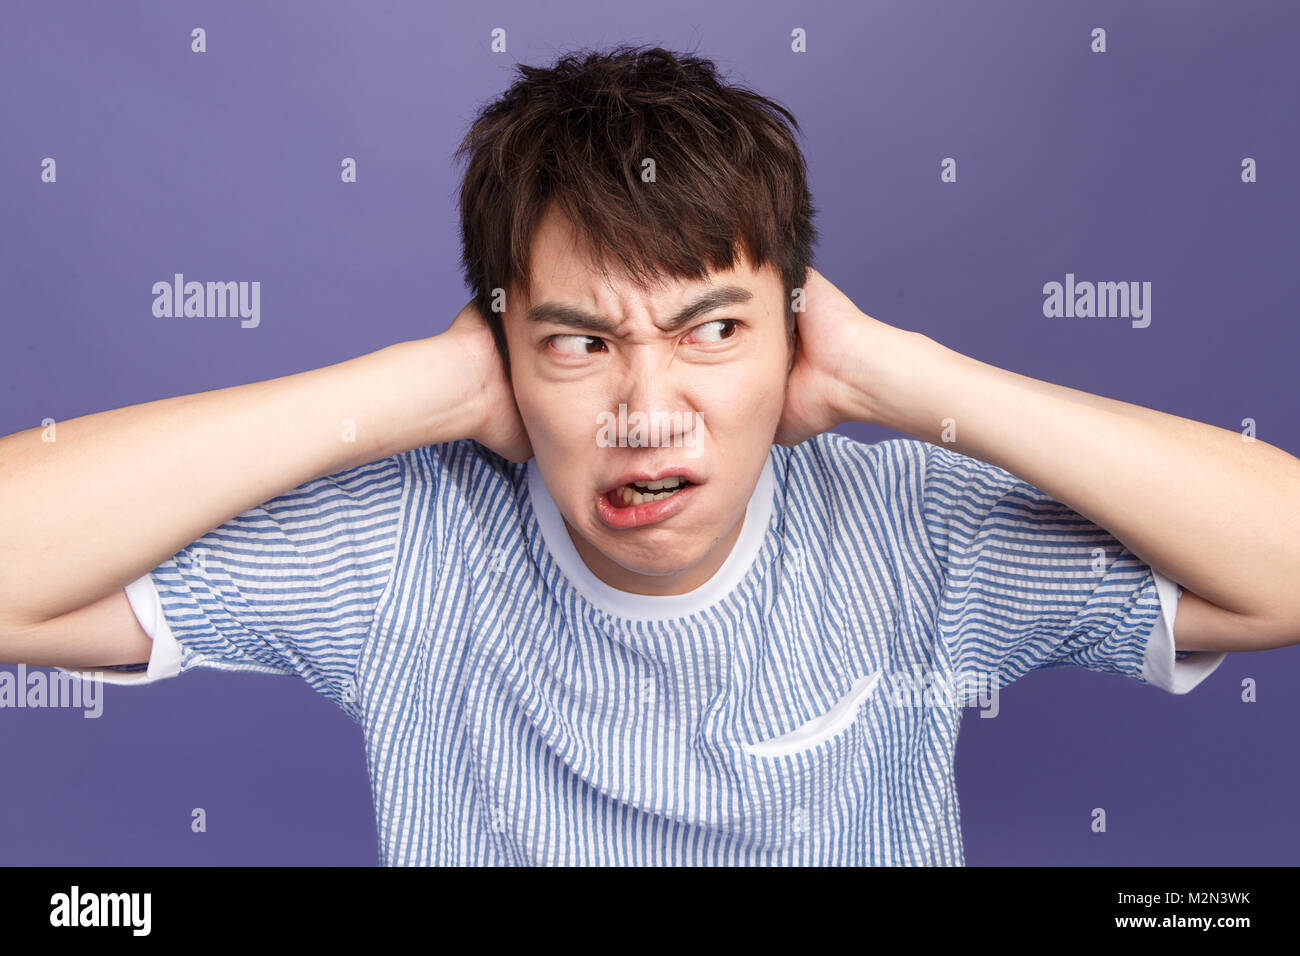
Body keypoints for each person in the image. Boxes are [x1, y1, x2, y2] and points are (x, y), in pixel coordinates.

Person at [2, 44, 1296, 866]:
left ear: (792, 335)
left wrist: (902, 376)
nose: (648, 407)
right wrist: (432, 383)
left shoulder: (913, 534)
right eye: (578, 345)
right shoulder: (407, 552)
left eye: (711, 330)